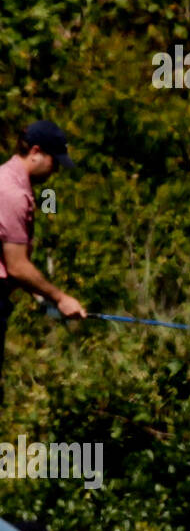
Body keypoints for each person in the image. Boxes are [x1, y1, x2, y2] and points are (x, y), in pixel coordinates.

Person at [0, 121, 88, 403]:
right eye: (54, 161)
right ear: (35, 152)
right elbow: (16, 265)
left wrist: (40, 296)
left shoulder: (7, 181)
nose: (56, 169)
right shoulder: (11, 194)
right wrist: (60, 298)